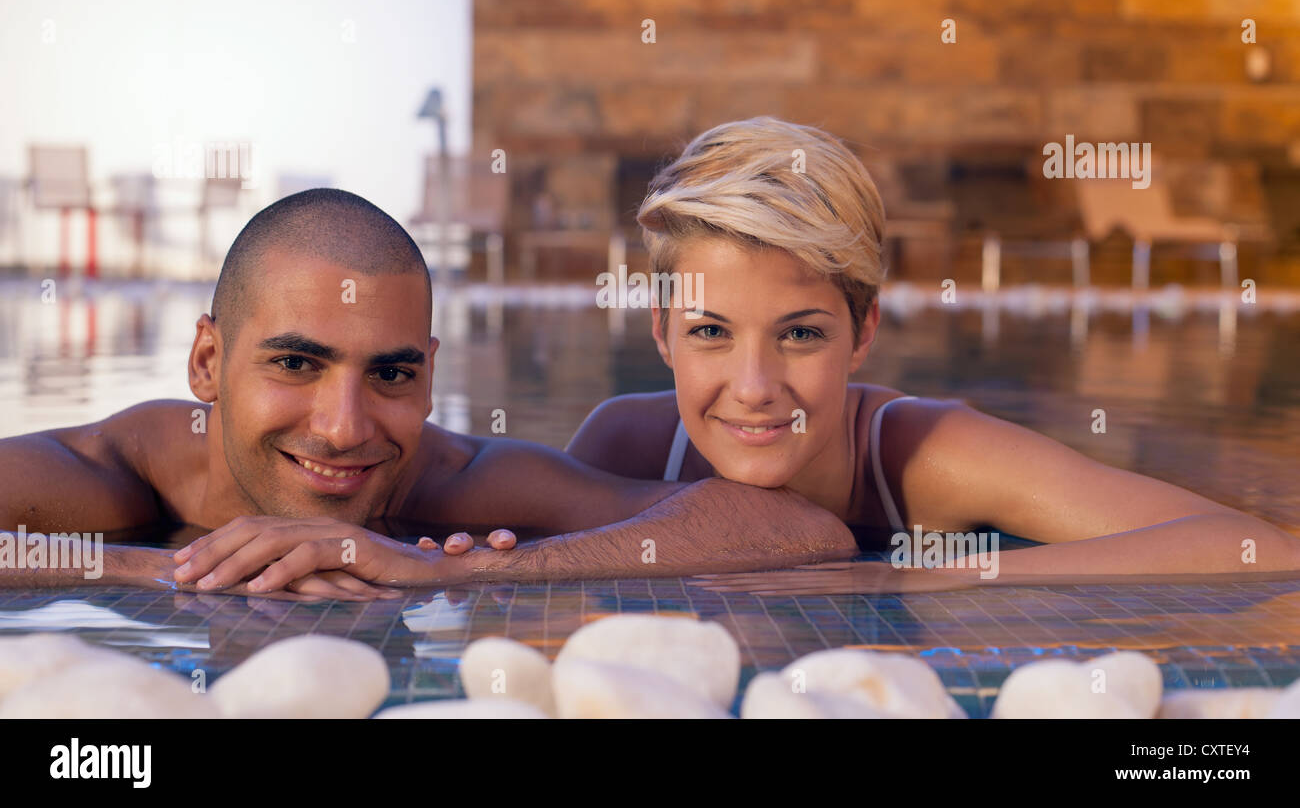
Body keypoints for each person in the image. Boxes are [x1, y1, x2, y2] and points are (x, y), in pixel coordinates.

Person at [0, 189, 856, 601]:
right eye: (295, 364)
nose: (343, 428)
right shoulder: (114, 478)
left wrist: (457, 568)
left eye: (391, 373)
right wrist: (180, 570)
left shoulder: (451, 485)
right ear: (206, 361)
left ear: (432, 376)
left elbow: (801, 529)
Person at [565, 116, 1300, 594]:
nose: (754, 387)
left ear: (864, 332)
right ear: (661, 333)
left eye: (801, 333)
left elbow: (1254, 546)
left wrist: (908, 580)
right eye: (710, 332)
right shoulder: (625, 445)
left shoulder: (922, 454)